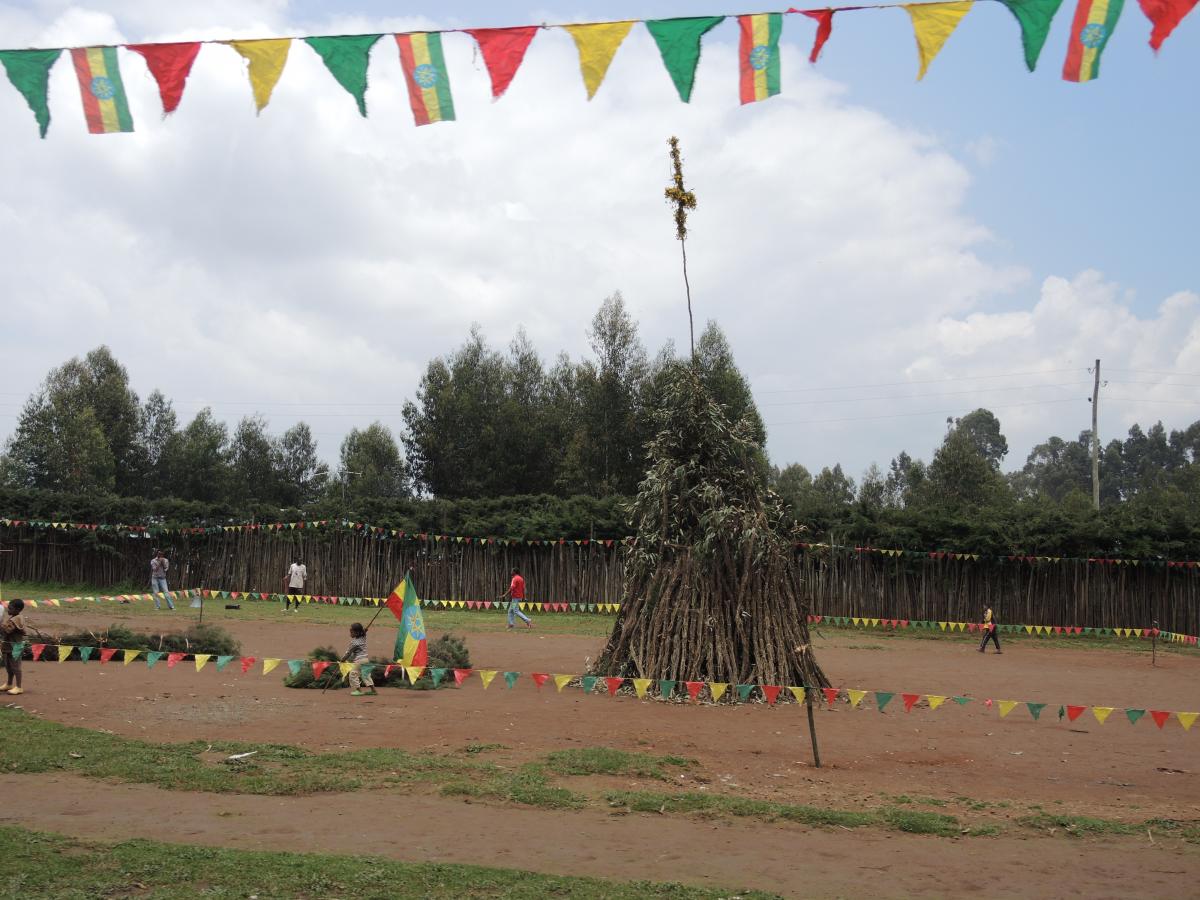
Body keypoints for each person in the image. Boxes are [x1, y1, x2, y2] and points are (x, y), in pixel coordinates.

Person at [1, 599, 28, 695]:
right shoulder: (13, 616)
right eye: (8, 607)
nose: (8, 609)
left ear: (18, 609)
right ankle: (9, 684)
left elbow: (6, 630)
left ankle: (19, 687)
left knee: (15, 667)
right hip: (9, 646)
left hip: (15, 647)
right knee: (8, 666)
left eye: (10, 608)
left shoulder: (17, 619)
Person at [344, 622, 376, 696]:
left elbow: (348, 653)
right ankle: (373, 690)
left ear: (357, 632)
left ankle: (358, 690)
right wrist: (364, 631)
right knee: (366, 675)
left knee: (353, 674)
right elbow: (364, 633)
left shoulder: (354, 643)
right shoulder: (363, 637)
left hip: (359, 660)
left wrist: (343, 660)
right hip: (365, 659)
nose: (350, 634)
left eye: (352, 632)